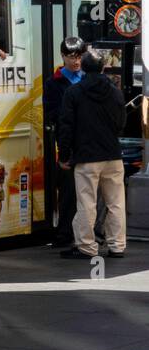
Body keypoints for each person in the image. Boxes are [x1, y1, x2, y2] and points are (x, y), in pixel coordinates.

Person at [57, 49, 127, 260]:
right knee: (115, 202)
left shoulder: (74, 92)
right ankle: (117, 245)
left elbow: (66, 126)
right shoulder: (115, 91)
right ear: (104, 67)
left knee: (86, 202)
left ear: (84, 68)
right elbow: (121, 123)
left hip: (86, 156)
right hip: (113, 154)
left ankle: (87, 246)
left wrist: (64, 154)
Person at [44, 37, 86, 250]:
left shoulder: (89, 78)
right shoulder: (54, 82)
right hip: (67, 141)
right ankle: (65, 232)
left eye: (79, 56)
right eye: (71, 57)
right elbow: (51, 113)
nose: (76, 61)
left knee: (88, 192)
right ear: (63, 56)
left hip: (88, 141)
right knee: (68, 190)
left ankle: (87, 233)